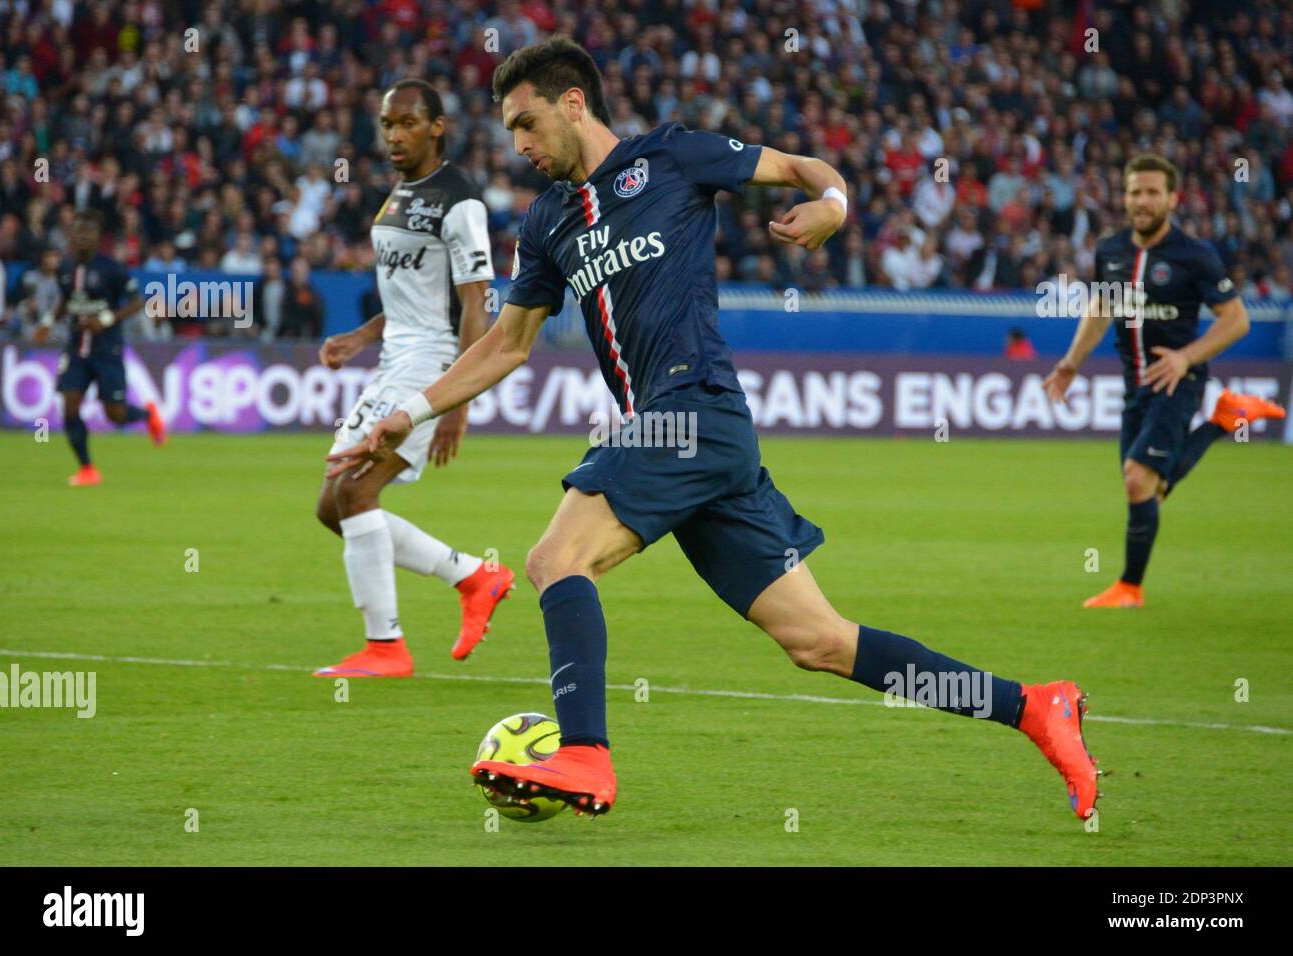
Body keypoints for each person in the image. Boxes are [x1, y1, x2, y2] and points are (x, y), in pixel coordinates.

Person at [328, 37, 1100, 820]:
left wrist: (834, 208)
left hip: (691, 408)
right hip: (690, 436)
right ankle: (1034, 707)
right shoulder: (548, 222)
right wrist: (407, 413)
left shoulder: (673, 157)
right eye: (508, 132)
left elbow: (806, 170)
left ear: (573, 104)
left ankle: (587, 757)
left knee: (556, 559)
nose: (519, 145)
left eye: (526, 123)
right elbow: (507, 343)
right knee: (821, 642)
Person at [313, 80, 514, 677]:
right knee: (334, 505)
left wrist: (459, 399)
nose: (394, 135)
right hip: (393, 359)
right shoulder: (399, 195)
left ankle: (386, 648)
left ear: (436, 127)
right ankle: (474, 576)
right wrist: (361, 335)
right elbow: (409, 297)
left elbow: (476, 302)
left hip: (432, 367)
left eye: (406, 123)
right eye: (386, 124)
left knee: (356, 493)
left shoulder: (461, 200)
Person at [1044, 154, 1285, 608]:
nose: (1143, 201)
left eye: (1153, 192)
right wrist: (1071, 362)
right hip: (1135, 383)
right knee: (1148, 487)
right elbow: (1101, 309)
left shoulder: (1195, 257)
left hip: (1179, 382)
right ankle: (1224, 421)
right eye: (1135, 191)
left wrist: (1185, 357)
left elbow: (1236, 321)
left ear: (1173, 198)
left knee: (1138, 479)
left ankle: (1130, 589)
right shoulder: (1111, 250)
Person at [32, 210, 166, 486]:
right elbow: (66, 301)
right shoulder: (66, 268)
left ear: (96, 239)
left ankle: (147, 415)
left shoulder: (111, 268)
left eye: (87, 234)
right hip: (76, 348)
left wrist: (106, 319)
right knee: (70, 407)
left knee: (114, 414)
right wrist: (47, 321)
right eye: (77, 234)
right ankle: (87, 469)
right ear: (72, 237)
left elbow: (135, 302)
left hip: (107, 349)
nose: (82, 239)